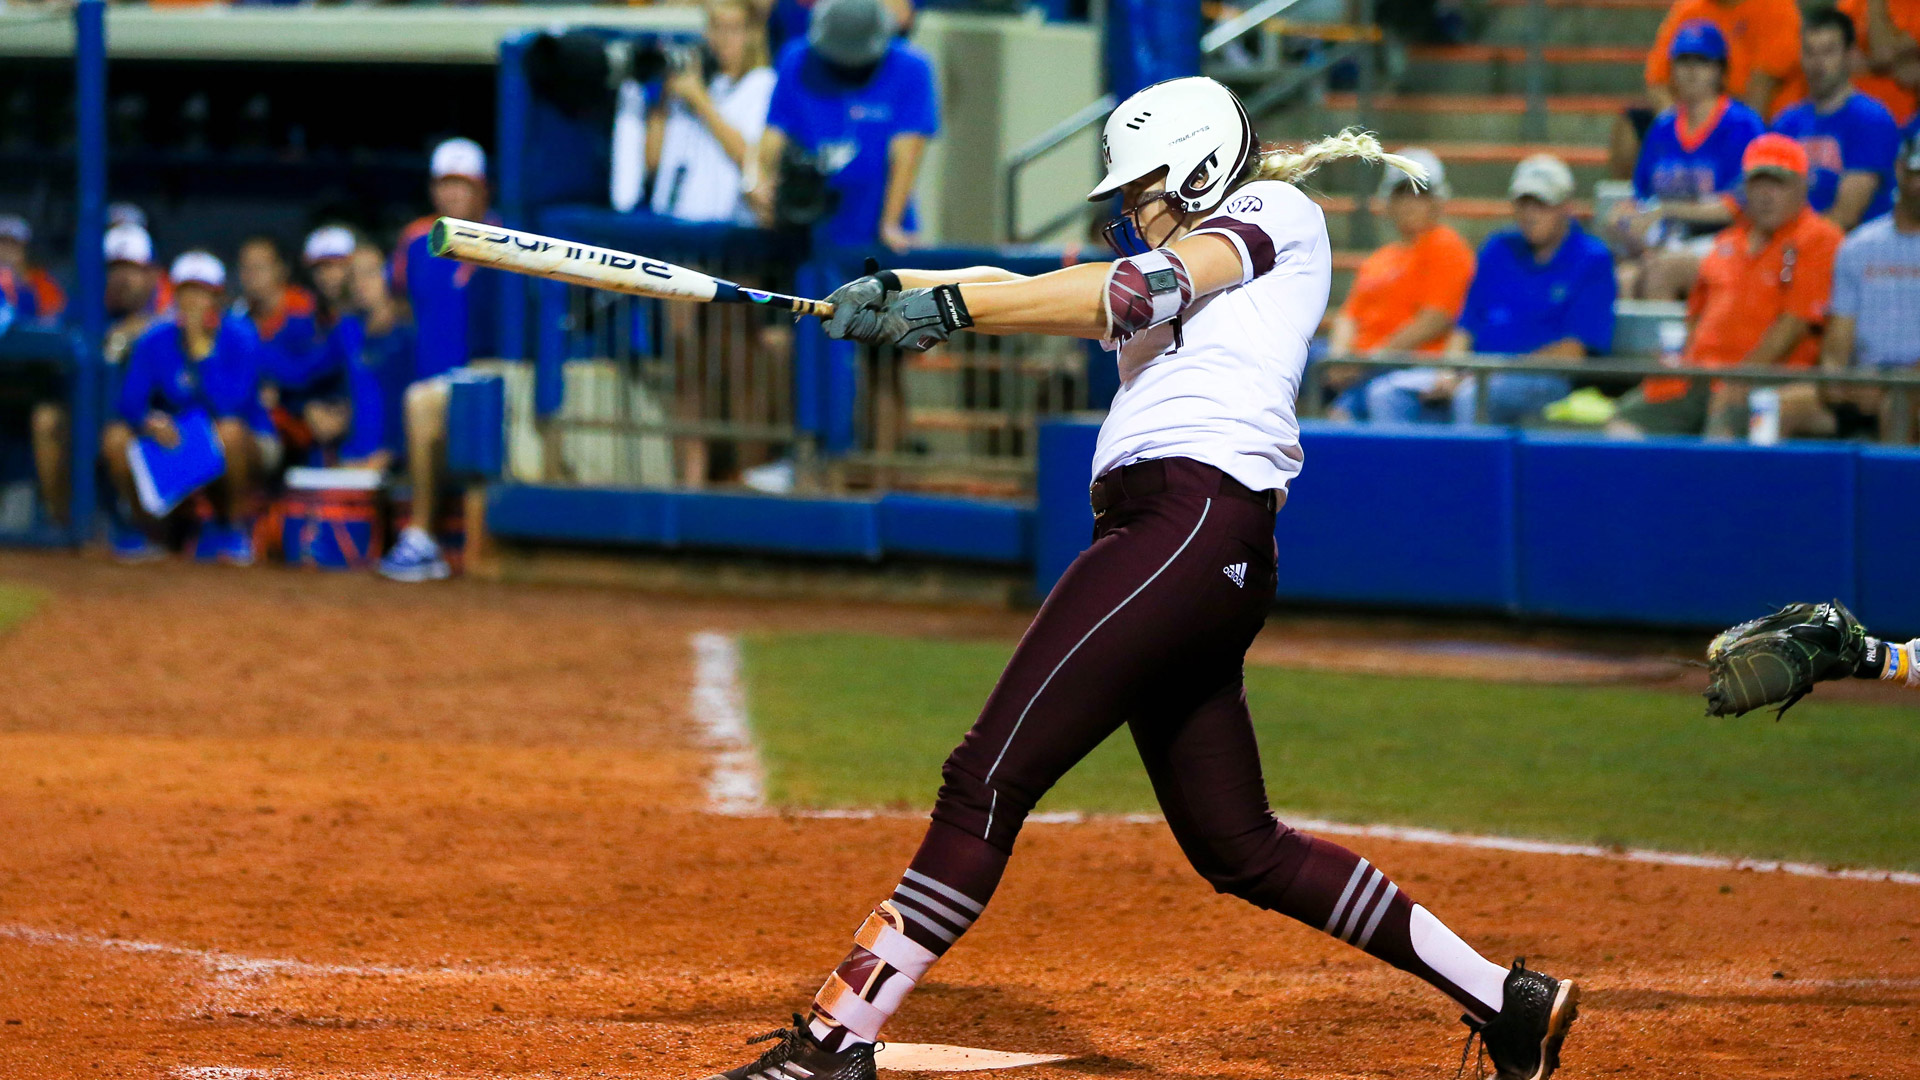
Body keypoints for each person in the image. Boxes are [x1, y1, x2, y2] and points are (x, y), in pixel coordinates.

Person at [694, 77, 1580, 1080]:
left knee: (986, 779)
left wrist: (952, 306)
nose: (1128, 206)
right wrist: (898, 286)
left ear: (1201, 168)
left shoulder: (1272, 212)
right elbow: (1033, 284)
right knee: (1240, 846)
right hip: (1188, 545)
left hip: (1185, 523)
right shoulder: (1170, 262)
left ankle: (833, 1041)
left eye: (1142, 186)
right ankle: (1508, 1003)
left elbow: (1128, 291)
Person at [1609, 134, 1843, 438]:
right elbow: (1696, 315)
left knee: (1722, 434)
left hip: (1767, 378)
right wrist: (1678, 359)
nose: (1766, 195)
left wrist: (1741, 378)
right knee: (1620, 427)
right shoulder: (1727, 241)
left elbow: (1793, 325)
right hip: (1699, 376)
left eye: (1778, 183)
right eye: (1758, 183)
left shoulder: (1818, 239)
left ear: (1802, 186)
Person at [1388, 156, 1617, 426]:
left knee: (1472, 396)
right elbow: (1466, 327)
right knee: (1389, 393)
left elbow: (1573, 352)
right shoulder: (1498, 248)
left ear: (1566, 207)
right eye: (1523, 203)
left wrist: (1491, 372)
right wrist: (1448, 372)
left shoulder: (1592, 259)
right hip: (1477, 372)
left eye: (1542, 204)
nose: (1530, 214)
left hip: (1543, 378)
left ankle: (1470, 456)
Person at [378, 137, 498, 582]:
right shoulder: (416, 239)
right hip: (432, 379)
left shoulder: (507, 236)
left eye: (463, 184)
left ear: (483, 189)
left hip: (489, 379)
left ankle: (423, 536)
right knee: (418, 398)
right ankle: (424, 543)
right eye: (445, 184)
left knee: (421, 400)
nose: (452, 193)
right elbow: (397, 304)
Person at [103, 252, 272, 565]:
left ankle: (231, 528)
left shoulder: (240, 335)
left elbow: (231, 406)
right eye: (186, 292)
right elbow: (128, 404)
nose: (193, 302)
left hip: (245, 439)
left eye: (203, 292)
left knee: (228, 432)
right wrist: (149, 422)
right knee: (116, 438)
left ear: (218, 298)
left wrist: (202, 353)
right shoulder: (157, 337)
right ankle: (147, 531)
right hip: (180, 436)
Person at [752, 0, 939, 252]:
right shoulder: (797, 60)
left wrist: (890, 224)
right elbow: (773, 136)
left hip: (872, 231)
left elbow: (906, 154)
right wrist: (759, 183)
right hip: (805, 230)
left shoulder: (911, 68)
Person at [1315, 148, 1475, 422]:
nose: (1410, 203)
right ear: (1389, 202)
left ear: (1437, 202)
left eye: (1419, 194)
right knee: (1302, 358)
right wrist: (1339, 358)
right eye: (1402, 194)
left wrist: (1369, 360)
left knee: (1373, 397)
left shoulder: (1446, 246)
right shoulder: (1379, 258)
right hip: (1365, 364)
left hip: (1412, 363)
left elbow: (1436, 319)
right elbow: (1348, 316)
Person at [30, 222, 172, 526]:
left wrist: (144, 330)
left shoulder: (169, 315)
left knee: (120, 437)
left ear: (152, 274)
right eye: (113, 268)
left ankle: (151, 531)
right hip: (91, 420)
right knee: (48, 419)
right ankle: (62, 527)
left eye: (132, 269)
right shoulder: (85, 309)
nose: (121, 278)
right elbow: (52, 336)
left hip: (151, 425)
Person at [1612, 21, 1765, 299]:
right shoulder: (1662, 128)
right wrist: (1625, 218)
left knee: (1662, 272)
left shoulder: (1742, 125)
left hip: (1728, 240)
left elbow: (1737, 207)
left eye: (1702, 61)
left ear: (1720, 70)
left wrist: (1667, 210)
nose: (1692, 70)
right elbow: (1641, 196)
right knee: (1621, 279)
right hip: (1667, 238)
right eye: (1684, 61)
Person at [1812, 128, 1920, 440]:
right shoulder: (1859, 247)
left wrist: (1892, 383)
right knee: (1778, 407)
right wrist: (1835, 379)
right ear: (1899, 170)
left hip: (1909, 384)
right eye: (1916, 173)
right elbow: (1839, 333)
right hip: (1865, 377)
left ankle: (1894, 475)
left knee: (1898, 404)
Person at [640, 0, 778, 224]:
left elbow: (752, 160)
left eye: (732, 28)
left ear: (752, 34)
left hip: (721, 228)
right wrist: (662, 101)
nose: (723, 38)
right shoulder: (704, 85)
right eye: (715, 27)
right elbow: (652, 163)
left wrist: (699, 101)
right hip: (670, 219)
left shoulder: (763, 83)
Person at [1772, 8, 1902, 230]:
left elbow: (1846, 215)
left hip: (1850, 244)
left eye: (1828, 51)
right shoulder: (1786, 123)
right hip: (1791, 239)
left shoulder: (1871, 121)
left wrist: (1793, 243)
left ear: (1849, 56)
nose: (1817, 63)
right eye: (1810, 52)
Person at [1645, 0, 1806, 120]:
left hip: (1772, 129)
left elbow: (1761, 92)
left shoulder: (1775, 6)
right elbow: (1657, 82)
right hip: (1697, 123)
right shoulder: (1689, 8)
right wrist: (1676, 132)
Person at [1837, 0, 1920, 126]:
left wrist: (1868, 65)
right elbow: (1835, 59)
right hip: (1849, 113)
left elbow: (1883, 53)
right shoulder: (1852, 4)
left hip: (1902, 118)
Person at [0, 214, 66, 325]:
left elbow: (52, 318)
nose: (7, 249)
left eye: (13, 243)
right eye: (3, 243)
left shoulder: (40, 281)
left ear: (25, 248)